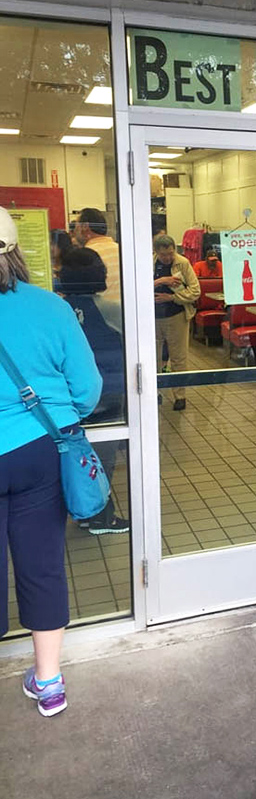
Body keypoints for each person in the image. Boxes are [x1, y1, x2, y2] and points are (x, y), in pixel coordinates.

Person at [0, 207, 102, 717]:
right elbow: (88, 390)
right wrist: (63, 415)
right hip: (41, 450)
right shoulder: (51, 307)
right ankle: (50, 682)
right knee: (42, 565)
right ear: (16, 252)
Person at [57, 247, 129, 534]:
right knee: (103, 455)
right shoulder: (111, 308)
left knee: (75, 452)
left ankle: (82, 509)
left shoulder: (57, 309)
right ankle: (98, 515)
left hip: (66, 394)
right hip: (107, 391)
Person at [153, 234, 200, 411]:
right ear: (156, 252)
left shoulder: (183, 263)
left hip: (176, 316)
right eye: (164, 254)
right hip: (152, 318)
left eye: (171, 253)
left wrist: (172, 297)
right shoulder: (149, 263)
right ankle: (154, 392)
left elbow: (195, 291)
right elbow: (138, 287)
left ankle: (180, 396)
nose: (168, 258)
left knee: (178, 358)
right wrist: (161, 281)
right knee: (154, 358)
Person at [73, 208, 122, 330]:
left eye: (76, 225)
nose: (74, 230)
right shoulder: (122, 250)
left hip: (100, 322)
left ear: (85, 227)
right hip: (125, 320)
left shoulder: (86, 256)